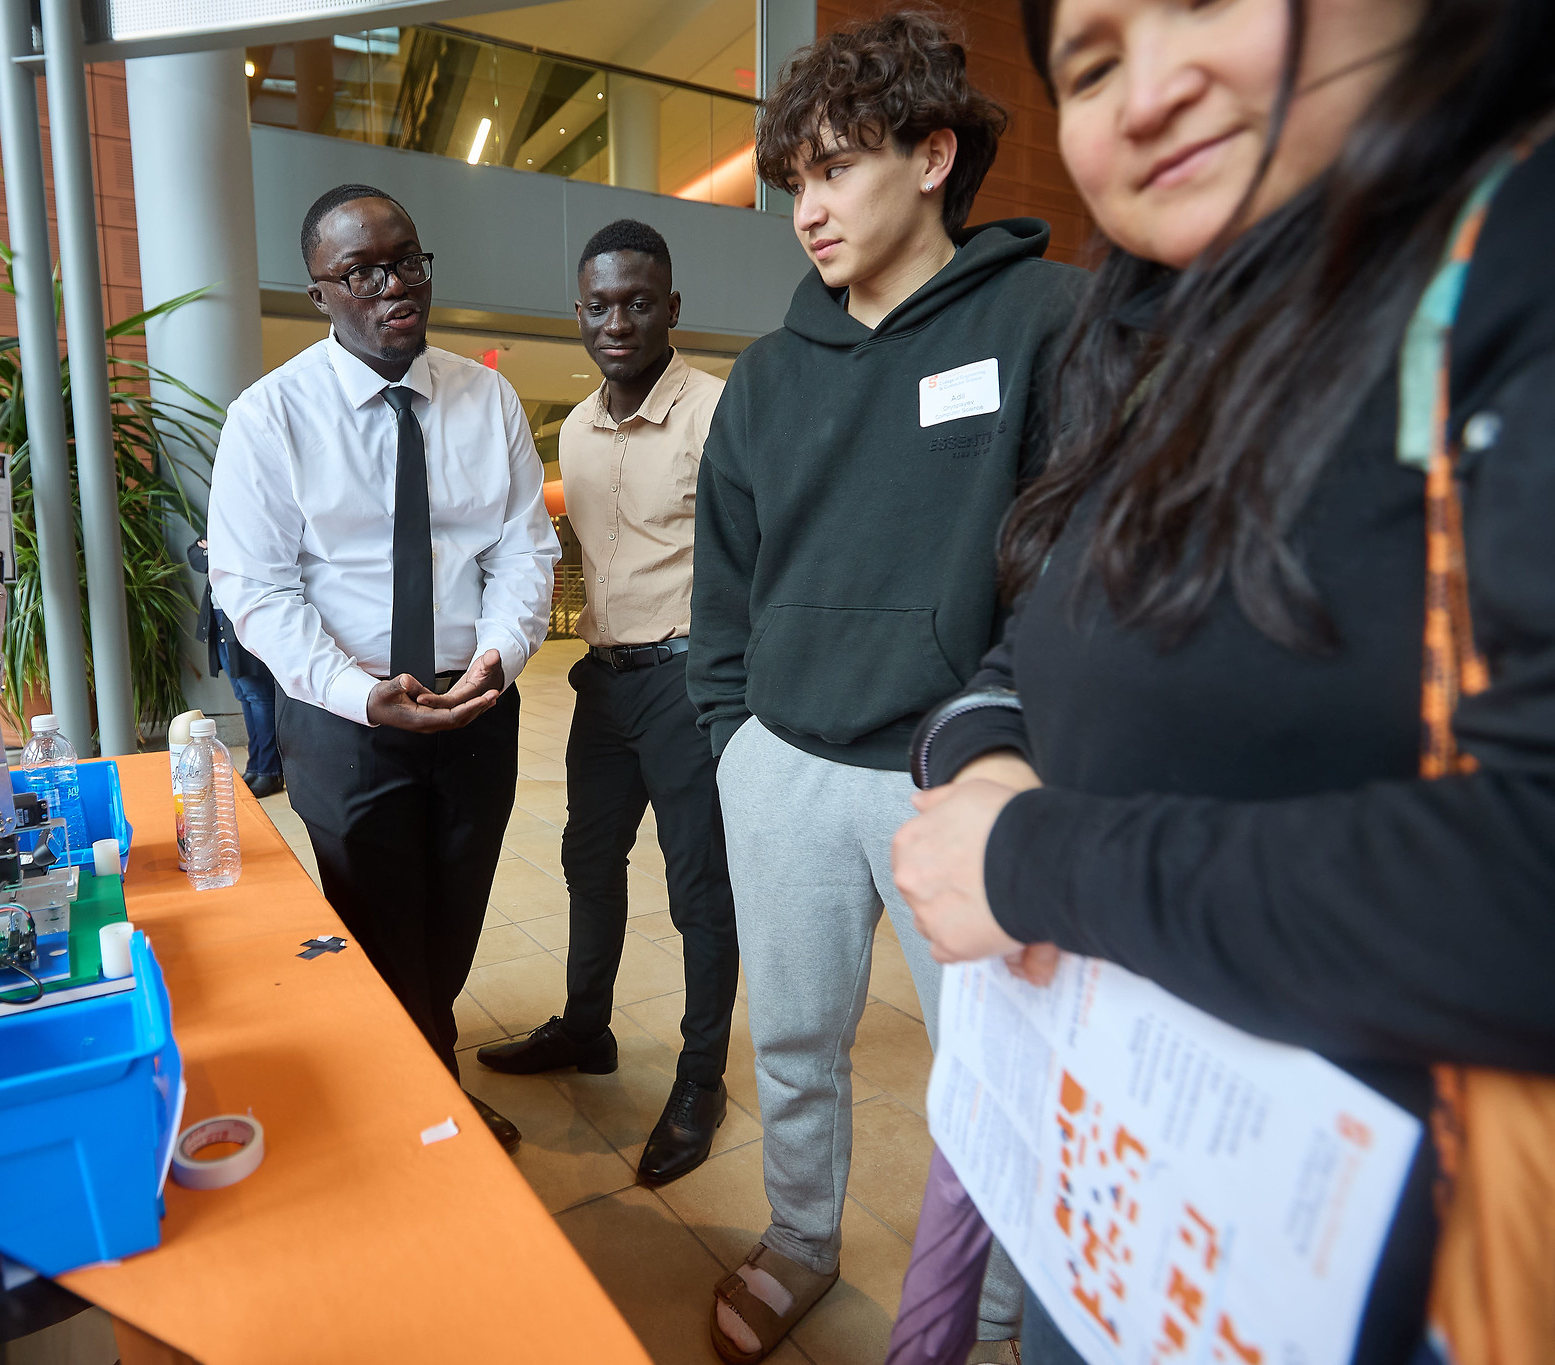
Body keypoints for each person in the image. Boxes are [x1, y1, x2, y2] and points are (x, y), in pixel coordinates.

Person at [889, 0, 1555, 1360]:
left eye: (1199, 2)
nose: (1143, 94)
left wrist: (1033, 859)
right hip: (1134, 1225)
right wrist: (982, 759)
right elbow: (1034, 650)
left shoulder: (1512, 268)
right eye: (1087, 62)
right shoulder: (1161, 349)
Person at [685, 13, 1085, 1360]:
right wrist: (732, 736)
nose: (809, 207)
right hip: (785, 764)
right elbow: (724, 581)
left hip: (959, 778)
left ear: (933, 156)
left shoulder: (1048, 321)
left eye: (837, 168)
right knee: (792, 1041)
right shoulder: (767, 375)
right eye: (795, 179)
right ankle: (800, 1238)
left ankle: (1001, 1313)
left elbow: (1079, 565)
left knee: (999, 1073)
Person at [207, 183, 561, 1154]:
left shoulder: (482, 397)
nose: (393, 285)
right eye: (361, 271)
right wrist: (362, 693)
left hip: (474, 701)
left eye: (405, 260)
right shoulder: (269, 418)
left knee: (452, 921)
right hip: (346, 718)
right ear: (318, 290)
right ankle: (422, 1107)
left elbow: (523, 552)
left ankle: (423, 1066)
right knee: (374, 931)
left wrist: (493, 658)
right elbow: (257, 588)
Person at [475, 219, 739, 1187]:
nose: (616, 320)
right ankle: (586, 1029)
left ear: (670, 308)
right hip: (603, 682)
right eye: (598, 305)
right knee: (586, 857)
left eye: (637, 302)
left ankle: (700, 1079)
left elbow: (754, 553)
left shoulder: (718, 410)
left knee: (695, 890)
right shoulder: (575, 430)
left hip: (687, 682)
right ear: (576, 314)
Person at [189, 537, 282, 798]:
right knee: (244, 695)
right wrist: (220, 552)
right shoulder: (217, 521)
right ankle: (257, 765)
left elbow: (245, 558)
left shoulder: (244, 522)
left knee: (259, 696)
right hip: (218, 619)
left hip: (241, 617)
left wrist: (215, 550)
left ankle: (270, 771)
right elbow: (194, 556)